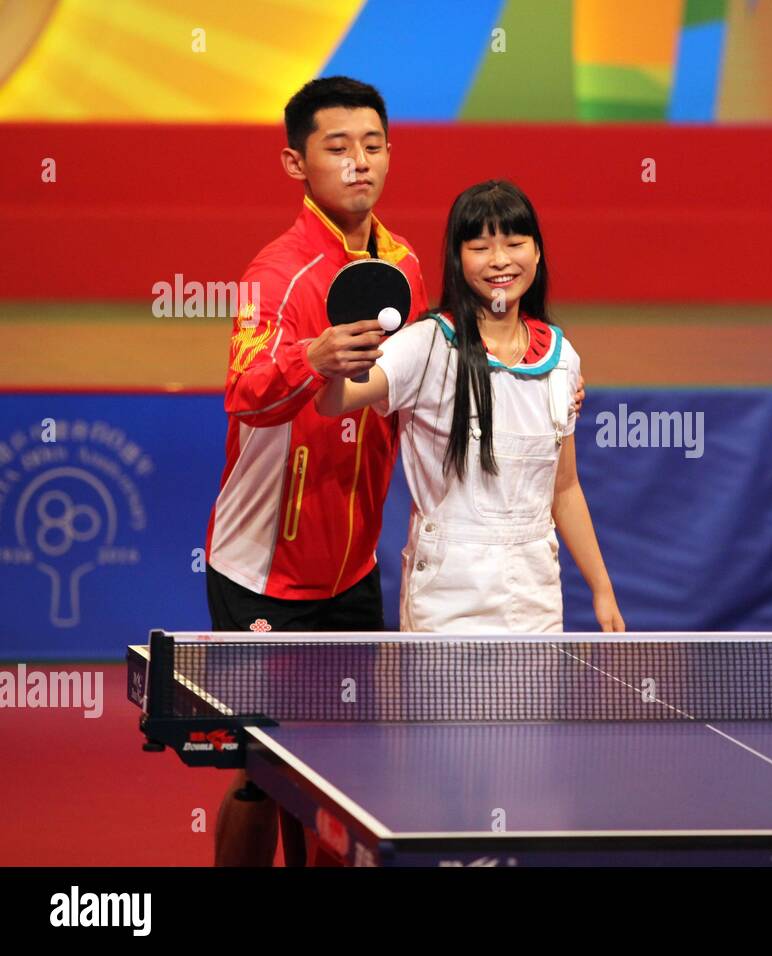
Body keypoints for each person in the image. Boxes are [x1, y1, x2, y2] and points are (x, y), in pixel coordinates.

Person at [206, 77, 584, 866]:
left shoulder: (407, 266)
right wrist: (311, 358)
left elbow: (439, 377)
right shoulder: (275, 275)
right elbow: (243, 394)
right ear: (296, 162)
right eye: (338, 148)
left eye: (373, 146)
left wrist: (544, 386)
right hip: (265, 570)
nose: (359, 163)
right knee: (257, 771)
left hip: (354, 568)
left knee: (338, 779)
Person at [317, 180, 623, 633]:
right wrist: (338, 358)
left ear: (537, 252)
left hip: (536, 598)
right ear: (457, 260)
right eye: (480, 247)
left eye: (515, 243)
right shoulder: (426, 345)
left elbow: (565, 488)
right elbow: (333, 402)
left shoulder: (562, 359)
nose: (500, 260)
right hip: (446, 599)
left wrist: (602, 587)